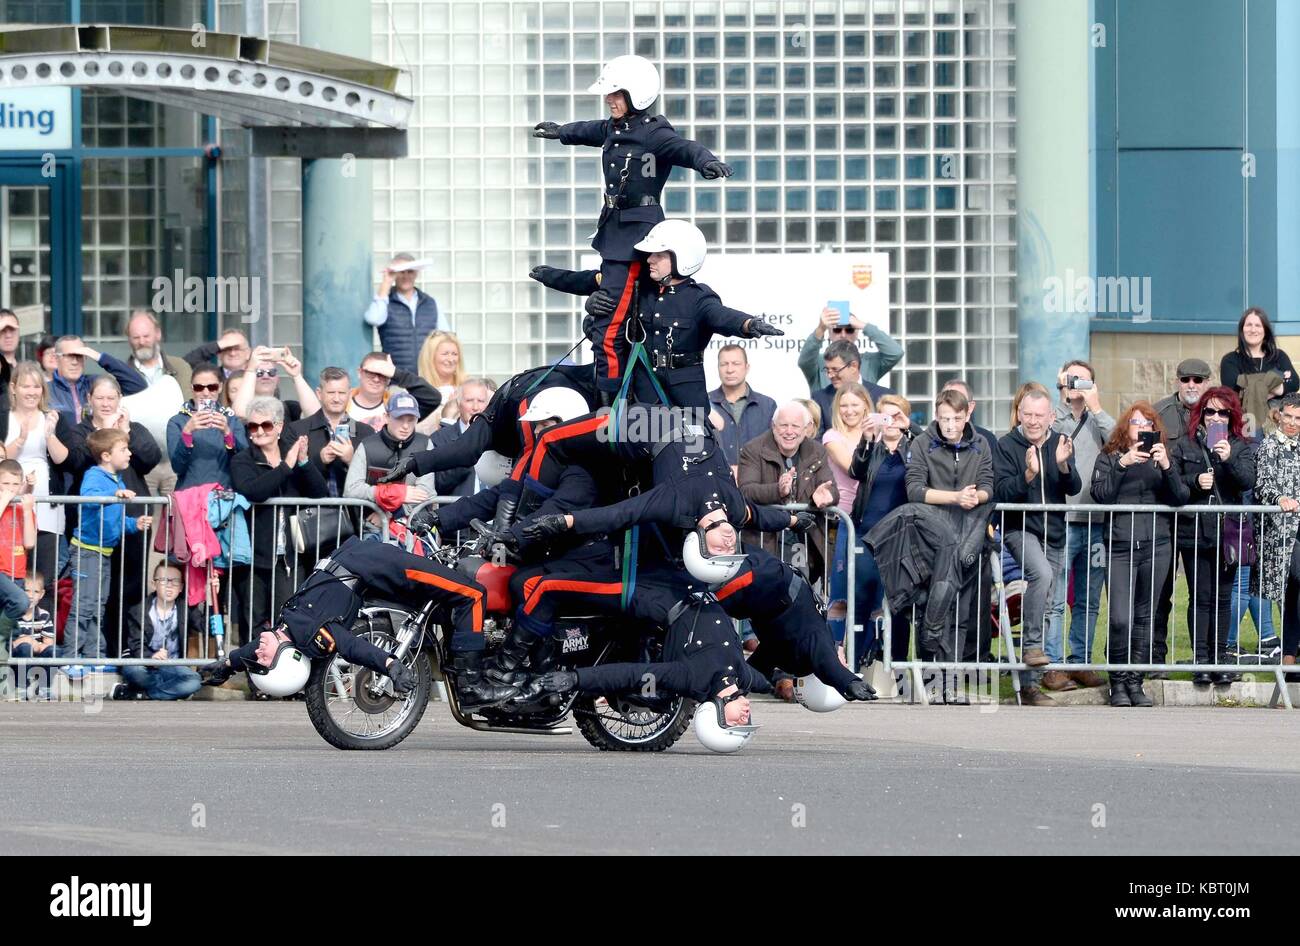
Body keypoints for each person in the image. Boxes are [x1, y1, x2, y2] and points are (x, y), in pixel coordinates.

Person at [532, 55, 732, 397]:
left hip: (638, 233)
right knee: (609, 317)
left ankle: (608, 395)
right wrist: (561, 132)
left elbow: (685, 148)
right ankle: (611, 391)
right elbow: (590, 130)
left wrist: (706, 162)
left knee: (607, 326)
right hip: (615, 229)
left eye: (616, 94)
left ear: (636, 95)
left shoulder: (654, 133)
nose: (609, 99)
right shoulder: (614, 128)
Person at [201, 536, 518, 710]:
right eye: (264, 662)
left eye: (256, 658)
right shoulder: (312, 636)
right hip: (379, 565)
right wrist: (391, 665)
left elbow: (251, 652)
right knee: (472, 593)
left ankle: (471, 645)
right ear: (288, 659)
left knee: (442, 597)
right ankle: (472, 685)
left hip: (360, 559)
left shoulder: (282, 636)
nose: (259, 651)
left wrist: (226, 664)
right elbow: (351, 646)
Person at [534, 219, 782, 411]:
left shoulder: (698, 298)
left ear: (680, 259)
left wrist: (749, 324)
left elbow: (722, 316)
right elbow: (589, 282)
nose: (650, 260)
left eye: (659, 255)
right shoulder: (639, 289)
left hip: (685, 399)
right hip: (642, 394)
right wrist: (556, 281)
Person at [1090, 401, 1188, 707]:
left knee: (1146, 617)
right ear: (1125, 427)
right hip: (1119, 546)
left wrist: (1167, 467)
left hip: (1156, 545)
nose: (1142, 428)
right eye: (1136, 422)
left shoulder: (1162, 458)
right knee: (1120, 618)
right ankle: (1117, 682)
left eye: (1148, 424)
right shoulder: (1110, 456)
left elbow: (1180, 497)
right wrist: (1123, 464)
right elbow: (1100, 495)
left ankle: (1135, 682)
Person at [903, 387, 994, 700]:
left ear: (967, 415)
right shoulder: (922, 443)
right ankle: (930, 681)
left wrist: (974, 497)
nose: (951, 425)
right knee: (932, 608)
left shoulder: (980, 443)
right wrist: (954, 497)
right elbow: (915, 489)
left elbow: (987, 486)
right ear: (936, 416)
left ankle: (950, 682)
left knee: (960, 611)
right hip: (929, 537)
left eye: (956, 418)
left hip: (968, 536)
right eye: (945, 419)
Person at [61, 375, 162, 654]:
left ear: (120, 400)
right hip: (92, 537)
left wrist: (125, 433)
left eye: (112, 398)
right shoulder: (80, 431)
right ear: (89, 401)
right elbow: (77, 463)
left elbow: (150, 458)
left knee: (124, 590)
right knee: (90, 599)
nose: (106, 403)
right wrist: (104, 435)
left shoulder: (134, 429)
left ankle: (119, 650)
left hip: (126, 526)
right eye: (100, 398)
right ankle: (82, 652)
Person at [994, 385, 1081, 703]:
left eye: (1039, 415)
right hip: (1021, 530)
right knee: (1040, 575)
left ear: (1051, 416)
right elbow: (1001, 491)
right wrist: (1028, 475)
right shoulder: (1006, 445)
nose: (1032, 421)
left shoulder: (1060, 441)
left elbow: (1074, 486)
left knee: (1047, 606)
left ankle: (1029, 685)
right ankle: (1031, 647)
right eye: (1027, 414)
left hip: (1055, 532)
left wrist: (1062, 465)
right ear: (1019, 414)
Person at [1170, 387, 1257, 686]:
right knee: (1201, 598)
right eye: (1210, 411)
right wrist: (1195, 481)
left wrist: (1229, 458)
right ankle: (1201, 662)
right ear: (1201, 414)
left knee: (1223, 598)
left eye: (1223, 412)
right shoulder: (1186, 445)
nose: (1216, 417)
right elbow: (1173, 482)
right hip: (1194, 530)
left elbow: (1247, 481)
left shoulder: (1240, 445)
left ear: (1232, 416)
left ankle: (1220, 659)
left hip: (1228, 532)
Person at [231, 396, 328, 638]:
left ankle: (284, 672)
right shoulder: (242, 460)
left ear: (280, 427)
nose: (259, 431)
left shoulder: (294, 454)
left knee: (288, 617)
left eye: (266, 425)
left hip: (290, 555)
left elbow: (320, 493)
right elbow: (255, 491)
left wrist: (304, 462)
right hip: (254, 554)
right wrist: (286, 466)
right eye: (253, 426)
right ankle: (252, 672)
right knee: (252, 617)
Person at [65, 428, 153, 671]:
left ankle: (95, 656)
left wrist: (134, 524)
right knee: (83, 606)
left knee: (98, 606)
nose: (130, 453)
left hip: (104, 552)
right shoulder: (95, 476)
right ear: (105, 456)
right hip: (86, 552)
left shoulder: (118, 479)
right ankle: (71, 658)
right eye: (123, 450)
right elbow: (89, 497)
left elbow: (114, 521)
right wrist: (114, 493)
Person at [1051, 360, 1114, 686]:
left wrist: (1096, 406)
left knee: (1089, 599)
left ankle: (1081, 661)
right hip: (1063, 521)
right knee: (1056, 598)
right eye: (1073, 379)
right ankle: (1052, 664)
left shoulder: (1099, 419)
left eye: (1084, 380)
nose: (1078, 386)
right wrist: (1063, 393)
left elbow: (1118, 441)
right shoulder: (1053, 417)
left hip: (1096, 521)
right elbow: (1043, 437)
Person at [848, 394, 916, 665]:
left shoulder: (915, 448)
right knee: (862, 597)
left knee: (898, 602)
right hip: (868, 531)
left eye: (895, 415)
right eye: (884, 415)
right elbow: (856, 470)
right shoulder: (872, 448)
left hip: (902, 534)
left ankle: (896, 666)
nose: (889, 421)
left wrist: (909, 427)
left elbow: (932, 447)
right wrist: (866, 438)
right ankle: (852, 665)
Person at [738, 401, 839, 583]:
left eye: (795, 426)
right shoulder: (753, 449)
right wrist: (777, 490)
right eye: (784, 425)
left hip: (802, 539)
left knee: (800, 590)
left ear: (806, 428)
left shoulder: (816, 450)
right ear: (773, 426)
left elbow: (830, 487)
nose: (789, 431)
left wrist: (827, 496)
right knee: (768, 593)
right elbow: (746, 491)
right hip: (765, 538)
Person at [5, 362, 70, 582]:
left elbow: (63, 459)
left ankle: (43, 616)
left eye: (36, 387)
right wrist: (21, 438)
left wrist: (50, 434)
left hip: (46, 508)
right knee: (11, 573)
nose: (32, 392)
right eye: (25, 386)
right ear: (14, 388)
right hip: (9, 507)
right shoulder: (4, 417)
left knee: (45, 575)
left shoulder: (52, 417)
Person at [822, 381, 874, 649]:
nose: (850, 410)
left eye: (855, 404)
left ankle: (870, 655)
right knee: (842, 590)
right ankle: (835, 653)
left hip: (876, 518)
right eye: (844, 405)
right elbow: (854, 468)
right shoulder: (832, 437)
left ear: (866, 405)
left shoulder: (879, 435)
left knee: (871, 592)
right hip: (848, 520)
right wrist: (869, 441)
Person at [1252, 393, 1300, 666]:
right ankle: (1290, 656)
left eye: (1298, 419)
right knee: (1293, 587)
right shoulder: (1269, 446)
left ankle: (1289, 657)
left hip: (1299, 529)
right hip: (1282, 532)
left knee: (1294, 594)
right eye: (1288, 416)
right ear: (1278, 415)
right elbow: (1263, 485)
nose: (1292, 423)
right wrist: (1280, 499)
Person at [115, 560, 202, 701]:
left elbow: (205, 626)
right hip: (142, 662)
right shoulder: (138, 610)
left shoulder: (185, 609)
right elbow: (135, 645)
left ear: (181, 587)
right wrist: (152, 657)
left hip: (170, 665)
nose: (169, 586)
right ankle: (168, 690)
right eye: (164, 580)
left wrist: (208, 595)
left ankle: (140, 694)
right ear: (154, 584)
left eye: (175, 581)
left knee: (194, 681)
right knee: (136, 672)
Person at [345, 392, 434, 525]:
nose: (405, 426)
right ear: (386, 417)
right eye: (399, 418)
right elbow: (351, 490)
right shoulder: (368, 445)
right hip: (372, 525)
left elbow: (426, 492)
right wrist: (387, 493)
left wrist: (390, 514)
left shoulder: (425, 444)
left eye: (411, 419)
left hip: (415, 526)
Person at [124, 309, 187, 497]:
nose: (142, 341)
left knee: (177, 520)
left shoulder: (181, 367)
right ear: (129, 339)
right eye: (136, 337)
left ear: (158, 334)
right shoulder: (119, 375)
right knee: (146, 521)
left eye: (146, 335)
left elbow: (190, 404)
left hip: (176, 460)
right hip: (140, 462)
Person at [363, 253, 449, 376]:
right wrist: (386, 282)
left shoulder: (430, 303)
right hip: (396, 377)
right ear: (395, 274)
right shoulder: (385, 301)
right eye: (402, 272)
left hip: (428, 377)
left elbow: (446, 338)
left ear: (416, 273)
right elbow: (374, 319)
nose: (406, 276)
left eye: (410, 271)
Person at [166, 365, 249, 492]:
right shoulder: (177, 421)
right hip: (190, 497)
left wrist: (227, 434)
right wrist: (187, 433)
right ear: (192, 388)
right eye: (199, 388)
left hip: (224, 496)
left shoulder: (232, 420)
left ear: (220, 387)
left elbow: (244, 462)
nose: (206, 393)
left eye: (212, 387)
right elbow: (177, 467)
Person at [1220, 307, 1297, 437]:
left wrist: (1251, 386)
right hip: (1244, 425)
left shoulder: (1279, 356)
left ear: (1265, 331)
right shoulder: (1230, 360)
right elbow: (1232, 389)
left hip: (1278, 426)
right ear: (1242, 329)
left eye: (1258, 325)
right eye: (1248, 325)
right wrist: (1275, 382)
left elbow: (1294, 384)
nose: (1253, 329)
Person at [289, 367, 359, 499]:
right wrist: (318, 460)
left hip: (353, 516)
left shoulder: (365, 431)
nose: (336, 398)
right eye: (331, 393)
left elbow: (374, 482)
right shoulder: (297, 429)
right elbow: (288, 478)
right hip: (309, 514)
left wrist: (352, 461)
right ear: (319, 394)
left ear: (350, 394)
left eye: (342, 393)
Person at [798, 305, 903, 390]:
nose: (843, 335)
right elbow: (804, 361)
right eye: (837, 330)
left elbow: (895, 353)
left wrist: (864, 326)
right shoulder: (819, 362)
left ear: (857, 333)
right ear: (829, 333)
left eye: (849, 330)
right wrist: (821, 328)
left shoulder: (870, 362)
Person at [707, 343, 776, 472]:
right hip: (717, 482)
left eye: (736, 363)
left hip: (757, 484)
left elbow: (774, 451)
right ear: (718, 368)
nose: (729, 369)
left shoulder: (767, 405)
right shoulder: (705, 405)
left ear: (747, 367)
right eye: (724, 364)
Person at [48, 335, 146, 422]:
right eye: (69, 356)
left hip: (98, 441)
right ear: (56, 358)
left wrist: (99, 357)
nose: (75, 362)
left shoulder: (96, 383)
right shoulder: (45, 390)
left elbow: (138, 386)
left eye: (80, 356)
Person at [426, 378, 494, 499]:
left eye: (481, 401)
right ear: (458, 404)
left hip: (493, 514)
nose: (475, 407)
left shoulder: (499, 437)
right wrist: (469, 450)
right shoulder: (441, 438)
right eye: (469, 400)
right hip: (459, 513)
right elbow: (439, 483)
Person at [811, 340, 890, 437]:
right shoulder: (819, 399)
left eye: (835, 370)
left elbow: (898, 433)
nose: (830, 375)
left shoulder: (884, 396)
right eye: (827, 370)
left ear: (854, 366)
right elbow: (816, 440)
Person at [347, 351, 441, 432]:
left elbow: (433, 398)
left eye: (382, 374)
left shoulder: (399, 406)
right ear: (359, 373)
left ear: (389, 378)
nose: (376, 379)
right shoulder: (341, 402)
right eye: (371, 373)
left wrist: (397, 374)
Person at [230, 345, 320, 424]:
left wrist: (296, 376)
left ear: (277, 379)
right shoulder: (245, 408)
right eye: (259, 372)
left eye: (271, 372)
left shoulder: (289, 408)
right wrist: (251, 369)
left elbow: (316, 414)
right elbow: (240, 414)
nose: (265, 376)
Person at [6, 568, 53, 698]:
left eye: (36, 591)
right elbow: (8, 644)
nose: (30, 595)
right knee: (25, 648)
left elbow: (48, 642)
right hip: (17, 656)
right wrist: (26, 640)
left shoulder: (44, 615)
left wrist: (38, 646)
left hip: (36, 655)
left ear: (42, 594)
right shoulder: (12, 614)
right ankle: (21, 687)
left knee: (53, 651)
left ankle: (45, 687)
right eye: (26, 590)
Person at [416, 330, 466, 430]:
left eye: (454, 354)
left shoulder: (467, 389)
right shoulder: (416, 391)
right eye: (445, 354)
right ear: (430, 357)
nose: (451, 359)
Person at [1155, 358, 1211, 442]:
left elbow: (1219, 450)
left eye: (1197, 380)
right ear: (1177, 382)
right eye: (1185, 380)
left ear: (1207, 383)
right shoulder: (1158, 413)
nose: (1191, 385)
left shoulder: (1217, 413)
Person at [0, 460, 36, 580]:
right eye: (6, 483)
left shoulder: (24, 508)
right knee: (21, 600)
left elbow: (29, 543)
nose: (10, 488)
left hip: (17, 573)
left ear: (21, 485)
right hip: (1, 572)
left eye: (15, 484)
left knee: (20, 599)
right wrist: (4, 500)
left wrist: (27, 511)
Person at [940, 378, 997, 452]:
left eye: (958, 401)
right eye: (947, 401)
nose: (952, 405)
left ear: (970, 407)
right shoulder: (927, 441)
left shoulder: (987, 440)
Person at [183, 328, 251, 379]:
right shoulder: (211, 376)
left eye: (237, 348)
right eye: (227, 348)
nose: (232, 353)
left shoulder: (258, 377)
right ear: (219, 354)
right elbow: (186, 363)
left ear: (248, 353)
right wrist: (218, 345)